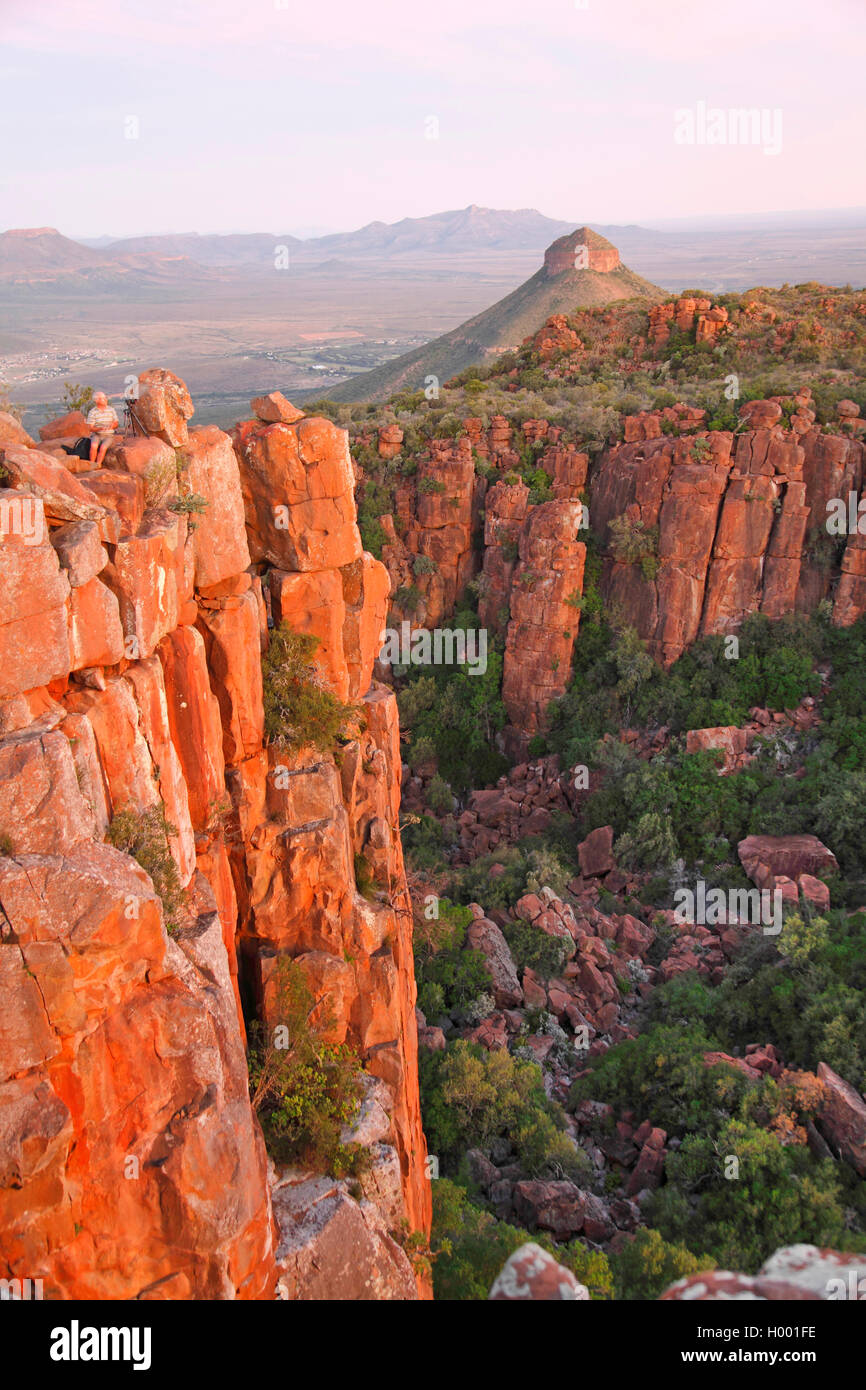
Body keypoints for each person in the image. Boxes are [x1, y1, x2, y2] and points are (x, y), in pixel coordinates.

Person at [86, 391, 119, 465]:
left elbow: (116, 423)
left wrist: (112, 426)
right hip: (97, 434)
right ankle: (92, 465)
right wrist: (100, 428)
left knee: (103, 448)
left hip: (108, 435)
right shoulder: (93, 412)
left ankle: (98, 464)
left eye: (105, 398)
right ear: (97, 401)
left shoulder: (111, 410)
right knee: (94, 446)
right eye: (103, 398)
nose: (106, 400)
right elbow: (90, 428)